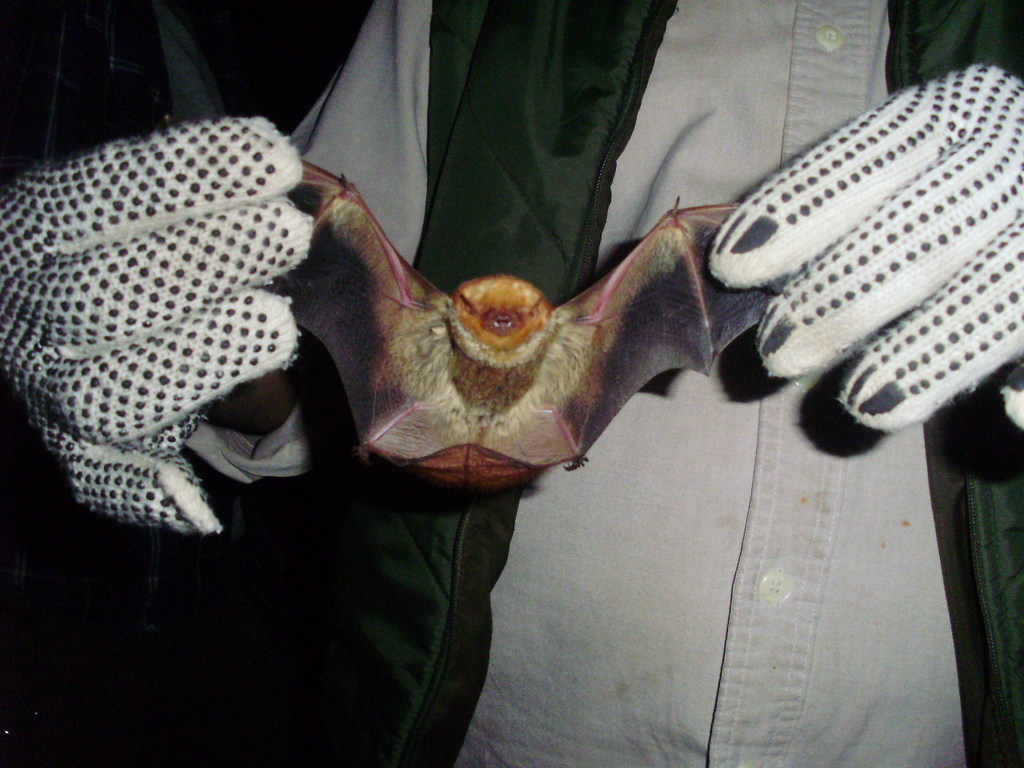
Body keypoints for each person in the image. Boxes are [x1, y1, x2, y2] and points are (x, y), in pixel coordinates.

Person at [2, 2, 1023, 767]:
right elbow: (286, 356)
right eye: (484, 314)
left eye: (514, 318)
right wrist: (185, 335)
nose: (500, 324)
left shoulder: (599, 327)